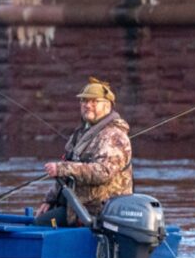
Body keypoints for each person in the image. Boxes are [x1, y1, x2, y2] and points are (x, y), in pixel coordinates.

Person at [35, 77, 133, 225]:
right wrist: (50, 200)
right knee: (41, 220)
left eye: (94, 101)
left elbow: (103, 172)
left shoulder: (114, 136)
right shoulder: (79, 135)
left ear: (107, 105)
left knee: (42, 224)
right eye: (84, 101)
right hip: (77, 208)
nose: (88, 105)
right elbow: (66, 175)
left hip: (101, 213)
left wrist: (62, 168)